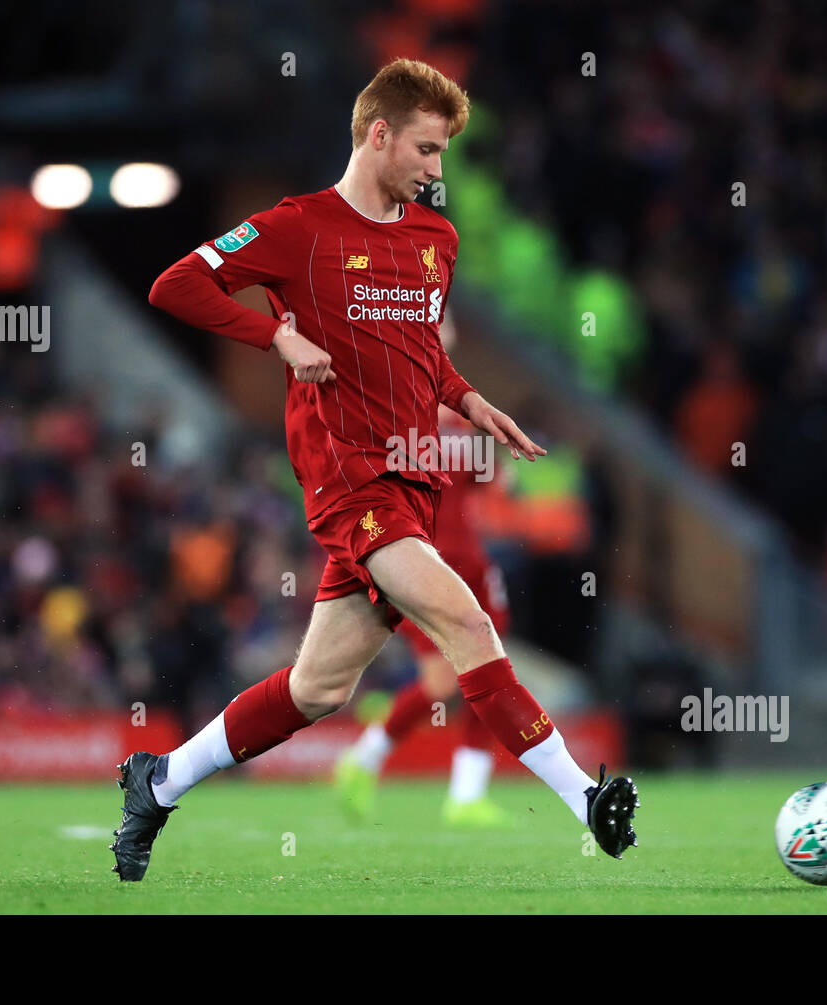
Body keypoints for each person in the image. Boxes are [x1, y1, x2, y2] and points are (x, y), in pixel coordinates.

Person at [113, 57, 637, 881]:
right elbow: (173, 285)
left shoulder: (437, 240)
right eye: (427, 151)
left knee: (318, 689)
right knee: (468, 621)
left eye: (444, 157)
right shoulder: (296, 228)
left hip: (415, 480)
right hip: (348, 483)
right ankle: (587, 800)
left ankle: (161, 780)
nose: (436, 172)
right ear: (378, 134)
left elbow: (423, 353)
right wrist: (273, 335)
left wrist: (469, 402)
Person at [335, 362, 513, 828]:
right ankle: (366, 757)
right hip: (421, 561)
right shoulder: (392, 407)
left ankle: (467, 794)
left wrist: (495, 465)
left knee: (491, 668)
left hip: (473, 560)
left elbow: (475, 483)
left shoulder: (461, 412)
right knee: (441, 683)